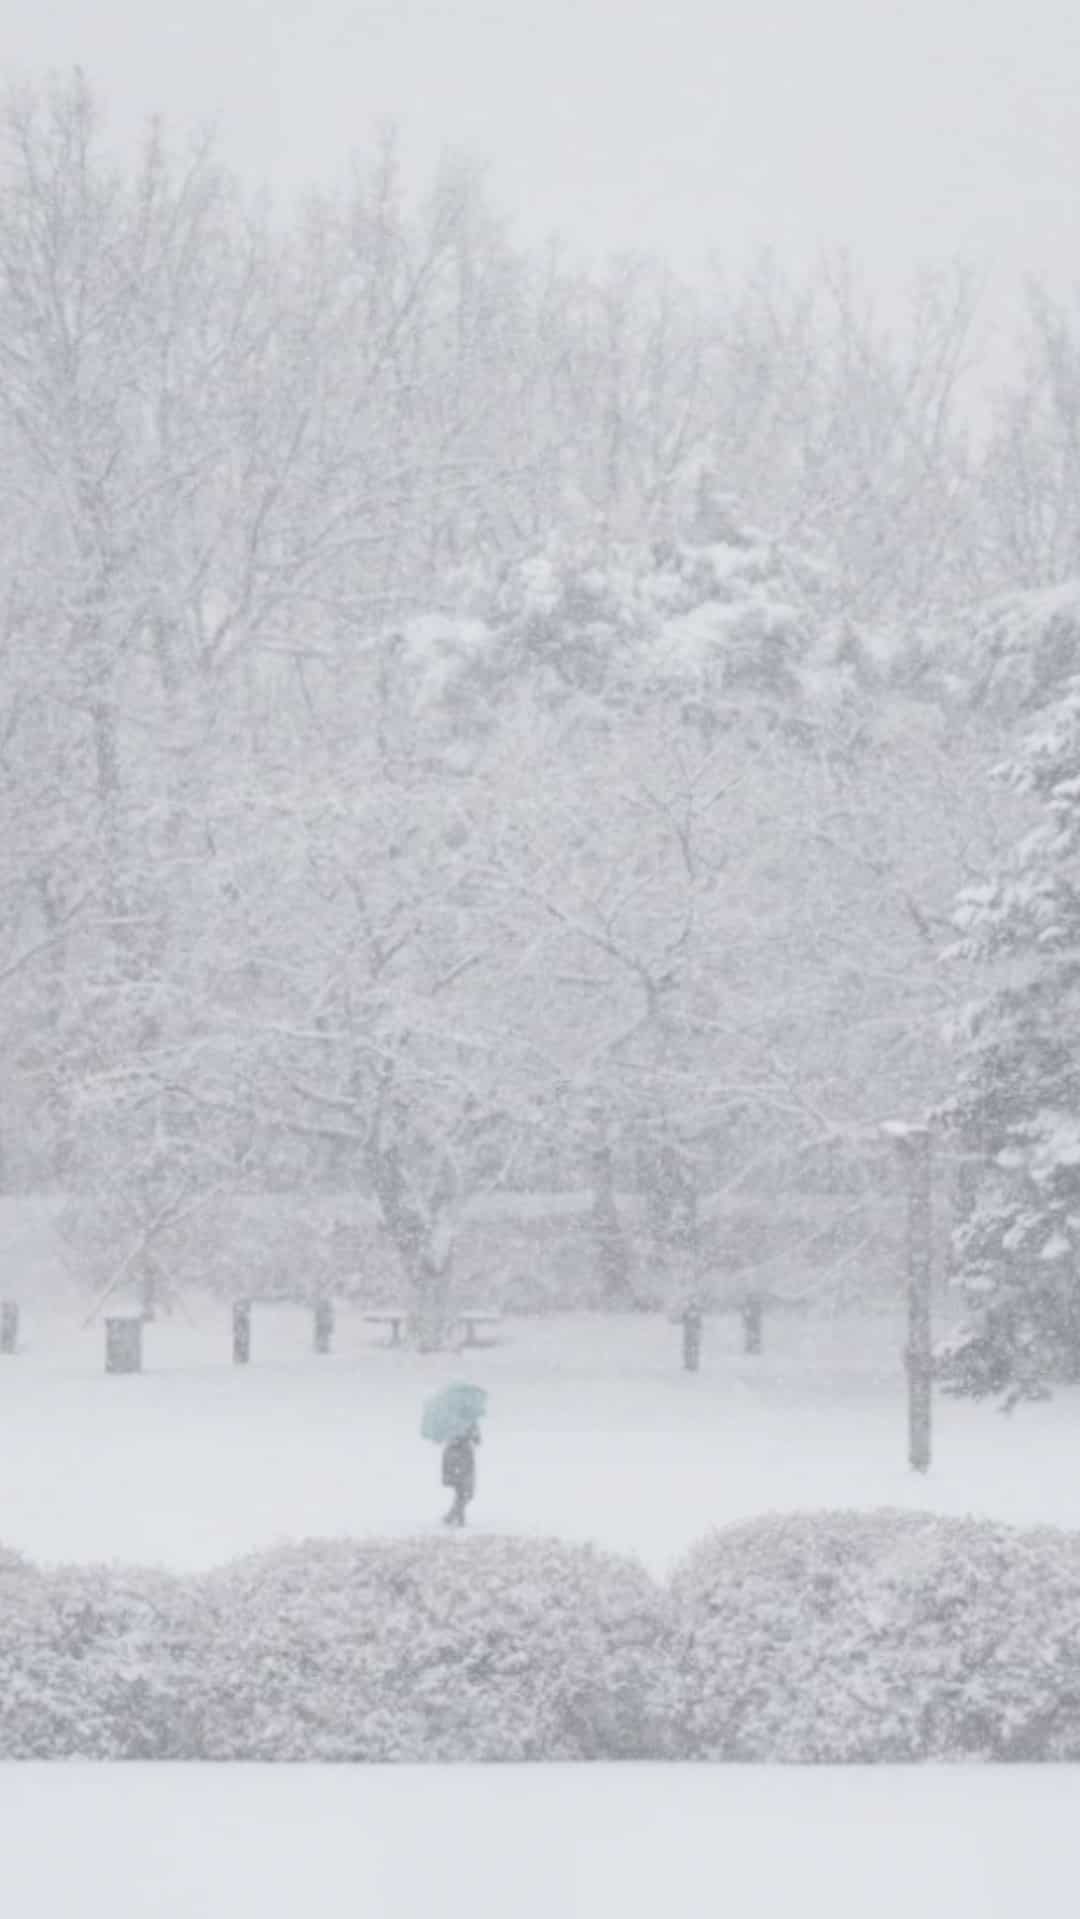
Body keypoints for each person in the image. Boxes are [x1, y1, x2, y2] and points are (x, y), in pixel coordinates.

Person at [441, 1421, 480, 1527]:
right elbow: (452, 1439)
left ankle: (452, 1517)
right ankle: (456, 1518)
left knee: (465, 1493)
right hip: (456, 1458)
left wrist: (473, 1434)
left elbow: (477, 1440)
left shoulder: (470, 1420)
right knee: (462, 1491)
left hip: (465, 1458)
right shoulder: (452, 1419)